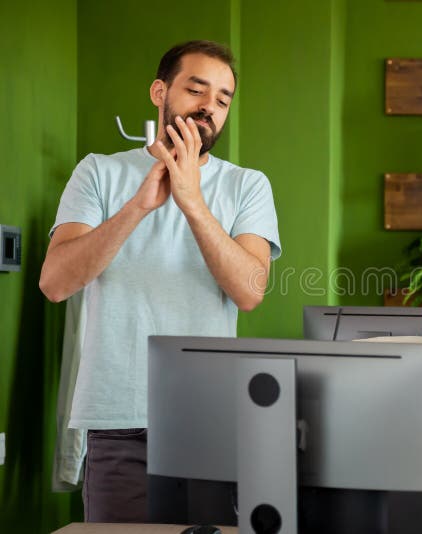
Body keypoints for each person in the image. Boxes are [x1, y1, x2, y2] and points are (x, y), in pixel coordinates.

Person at [39, 40, 281, 522]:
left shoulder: (247, 185)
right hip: (116, 423)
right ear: (159, 92)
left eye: (223, 98)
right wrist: (138, 207)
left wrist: (191, 200)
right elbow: (55, 282)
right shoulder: (99, 172)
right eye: (196, 89)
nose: (209, 106)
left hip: (209, 421)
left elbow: (250, 290)